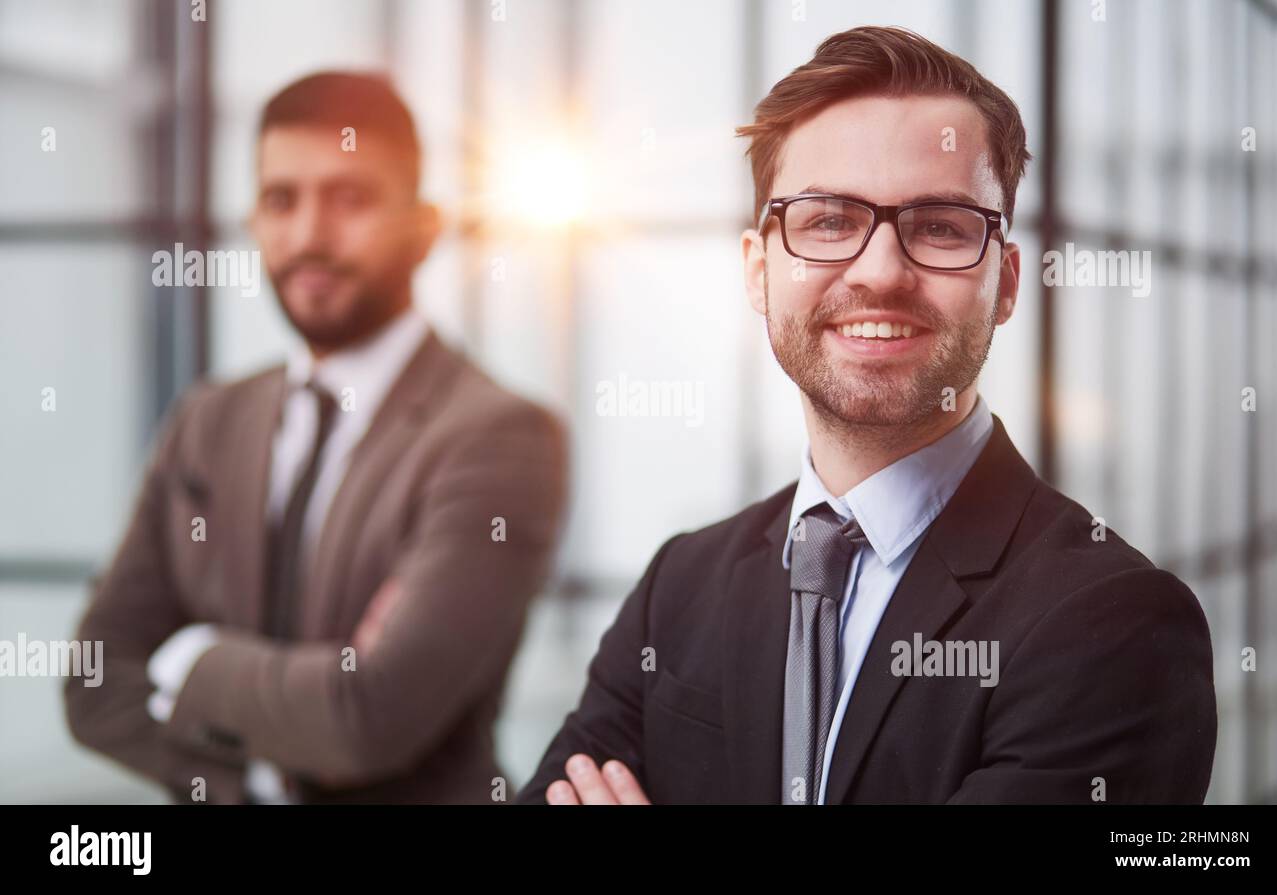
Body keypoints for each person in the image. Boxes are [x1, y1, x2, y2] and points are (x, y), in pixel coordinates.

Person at [518, 27, 1215, 805]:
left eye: (942, 227)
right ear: (758, 268)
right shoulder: (678, 588)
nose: (881, 271)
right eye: (827, 221)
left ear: (1007, 281)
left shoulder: (1113, 626)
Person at [65, 72, 568, 804]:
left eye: (351, 199)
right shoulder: (208, 420)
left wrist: (193, 658)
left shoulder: (501, 436)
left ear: (424, 227)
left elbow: (370, 715)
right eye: (281, 199)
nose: (309, 236)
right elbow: (93, 677)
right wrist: (261, 776)